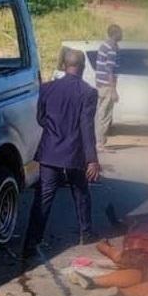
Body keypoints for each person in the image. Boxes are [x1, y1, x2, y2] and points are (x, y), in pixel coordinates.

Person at [23, 48, 100, 256]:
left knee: (43, 197)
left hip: (50, 151)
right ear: (83, 68)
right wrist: (92, 159)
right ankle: (86, 233)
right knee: (81, 192)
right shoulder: (88, 92)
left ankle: (31, 241)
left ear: (64, 66)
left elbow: (41, 118)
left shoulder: (47, 88)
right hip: (75, 152)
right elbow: (86, 127)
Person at [94, 24, 122, 149]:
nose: (122, 35)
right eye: (120, 33)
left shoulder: (105, 45)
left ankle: (99, 140)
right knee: (105, 114)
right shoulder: (111, 48)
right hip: (107, 85)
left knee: (101, 112)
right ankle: (99, 142)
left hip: (101, 83)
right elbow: (109, 69)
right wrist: (113, 90)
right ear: (115, 34)